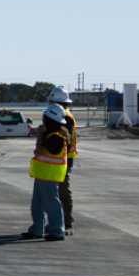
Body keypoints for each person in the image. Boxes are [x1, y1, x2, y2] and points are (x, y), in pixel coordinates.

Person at [22, 103, 71, 241]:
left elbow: (50, 149)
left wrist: (41, 136)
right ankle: (37, 228)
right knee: (37, 204)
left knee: (51, 203)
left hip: (49, 175)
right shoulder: (49, 134)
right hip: (42, 174)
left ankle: (57, 231)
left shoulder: (56, 136)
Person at [49, 86, 80, 232]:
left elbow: (62, 139)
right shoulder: (65, 114)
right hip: (63, 157)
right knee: (57, 190)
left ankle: (66, 221)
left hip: (63, 157)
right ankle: (61, 220)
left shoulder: (65, 116)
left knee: (61, 190)